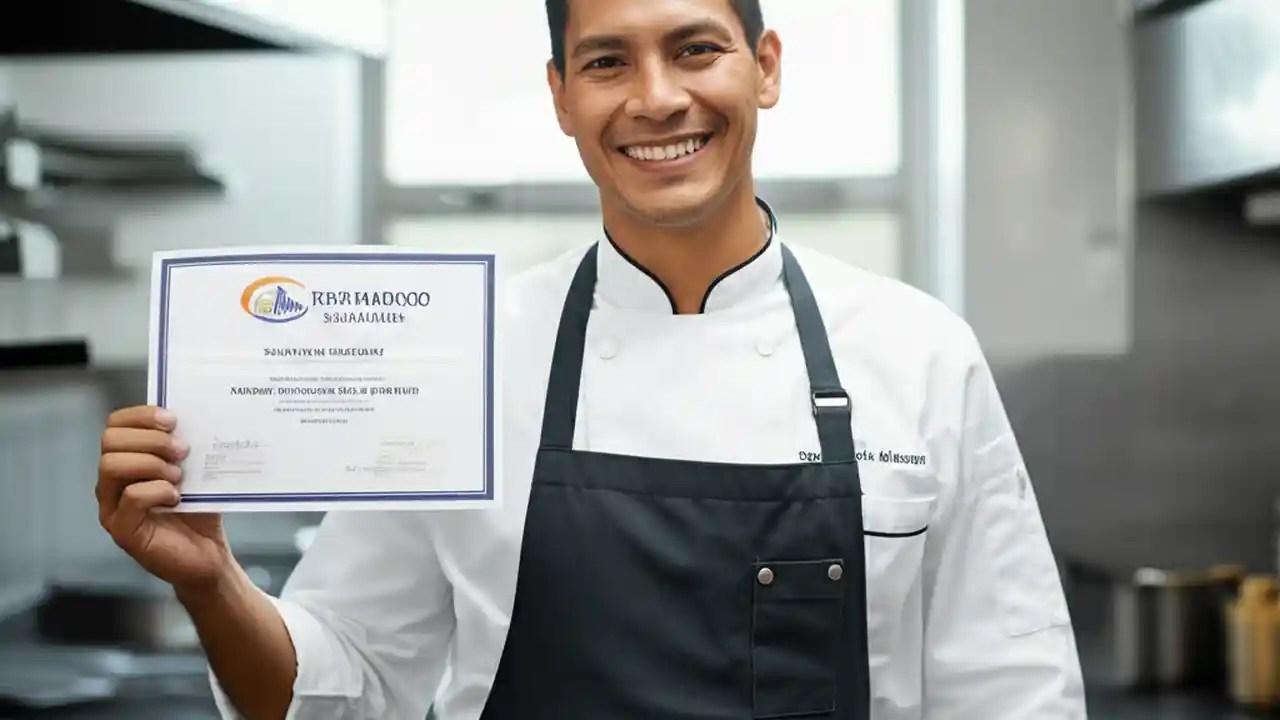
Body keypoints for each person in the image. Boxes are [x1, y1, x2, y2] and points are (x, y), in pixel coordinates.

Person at [94, 0, 1087, 717]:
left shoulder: (918, 354)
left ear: (765, 65)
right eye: (608, 62)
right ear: (561, 95)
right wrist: (212, 582)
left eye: (695, 49)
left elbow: (1012, 693)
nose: (657, 100)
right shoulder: (467, 361)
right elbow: (343, 686)